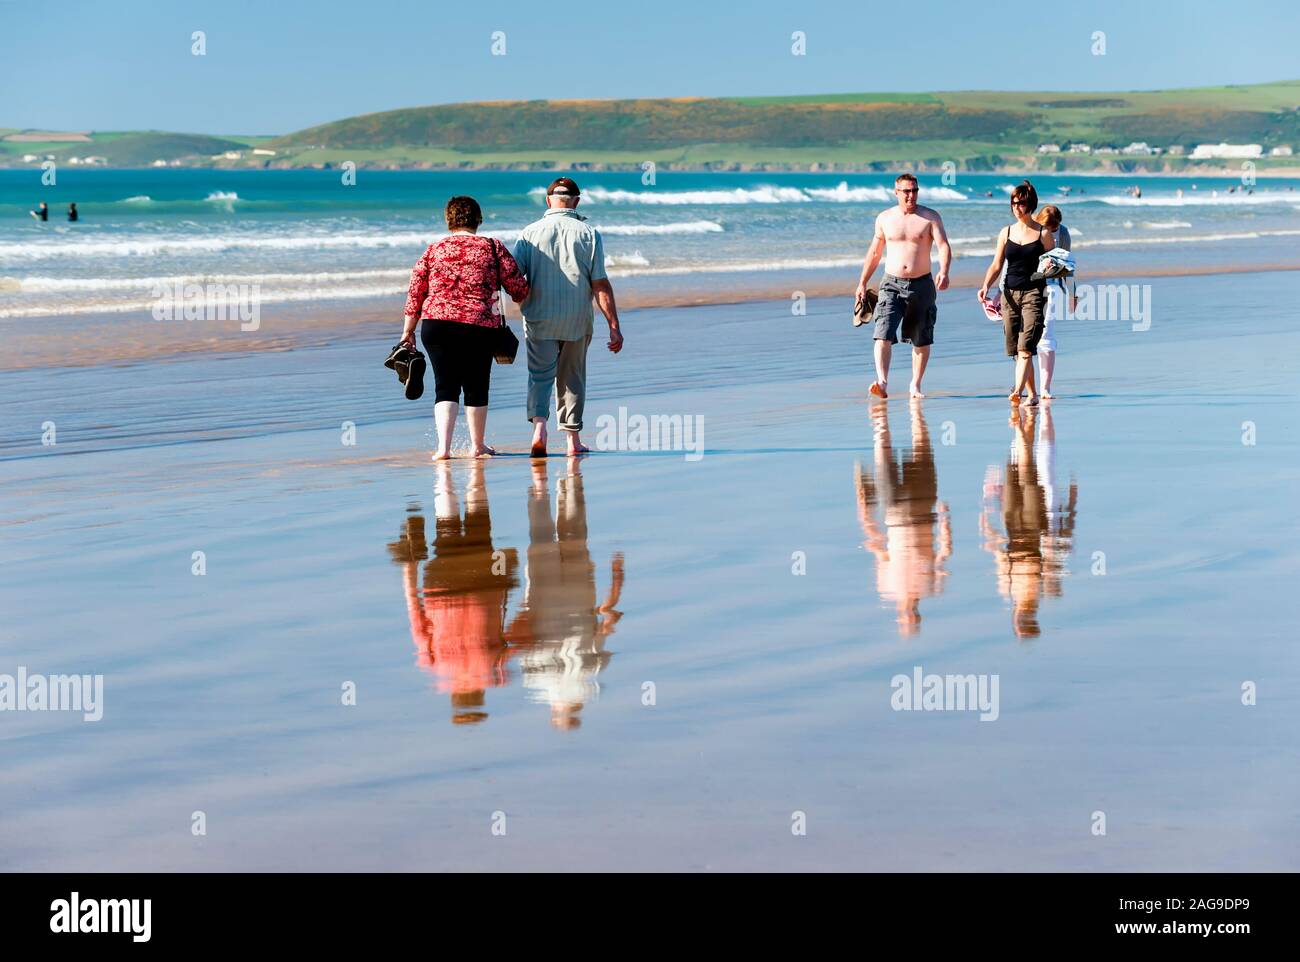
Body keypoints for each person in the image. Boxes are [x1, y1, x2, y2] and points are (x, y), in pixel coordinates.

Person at [387, 461, 523, 724]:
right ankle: (445, 478)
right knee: (446, 530)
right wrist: (410, 567)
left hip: (486, 582)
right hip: (441, 584)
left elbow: (518, 634)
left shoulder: (496, 671)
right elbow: (416, 617)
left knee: (479, 526)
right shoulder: (435, 667)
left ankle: (474, 470)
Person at [399, 195, 529, 459]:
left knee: (444, 385)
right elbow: (517, 287)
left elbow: (416, 292)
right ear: (478, 220)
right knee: (477, 384)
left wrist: (407, 331)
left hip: (437, 325)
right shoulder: (492, 248)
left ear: (449, 220)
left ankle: (443, 449)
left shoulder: (434, 250)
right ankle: (477, 446)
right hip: (479, 326)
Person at [504, 458, 624, 729]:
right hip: (545, 596)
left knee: (574, 535)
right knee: (541, 536)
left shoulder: (588, 670)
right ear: (554, 711)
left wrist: (617, 579)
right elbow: (606, 623)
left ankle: (568, 483)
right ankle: (540, 487)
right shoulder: (537, 676)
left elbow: (609, 618)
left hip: (575, 592)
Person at [512, 177, 624, 458]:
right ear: (576, 201)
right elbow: (600, 284)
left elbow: (513, 277)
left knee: (539, 376)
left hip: (539, 317)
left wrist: (519, 301)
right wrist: (614, 326)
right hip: (577, 318)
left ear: (548, 201)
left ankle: (539, 429)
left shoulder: (528, 234)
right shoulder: (589, 234)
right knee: (572, 377)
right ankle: (573, 440)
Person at [855, 400, 951, 637]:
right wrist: (945, 520)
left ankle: (881, 418)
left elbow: (877, 547)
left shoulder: (887, 588)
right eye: (912, 618)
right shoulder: (932, 586)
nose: (909, 614)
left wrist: (864, 513)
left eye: (907, 618)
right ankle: (906, 411)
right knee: (921, 447)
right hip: (921, 508)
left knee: (886, 454)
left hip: (896, 512)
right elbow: (945, 551)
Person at [855, 173, 952, 399]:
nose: (911, 195)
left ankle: (915, 385)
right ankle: (882, 382)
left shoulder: (930, 217)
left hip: (922, 284)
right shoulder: (885, 218)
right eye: (906, 191)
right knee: (883, 332)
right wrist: (862, 282)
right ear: (896, 192)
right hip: (891, 283)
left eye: (915, 190)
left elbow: (943, 246)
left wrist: (944, 271)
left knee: (921, 338)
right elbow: (875, 252)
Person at [977, 180, 1055, 406]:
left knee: (1026, 346)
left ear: (1030, 204)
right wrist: (985, 286)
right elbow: (996, 264)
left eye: (1020, 203)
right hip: (1009, 294)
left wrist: (1057, 278)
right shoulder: (1006, 232)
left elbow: (1055, 263)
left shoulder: (1043, 233)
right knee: (1017, 349)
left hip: (1034, 293)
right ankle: (1031, 395)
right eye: (1013, 203)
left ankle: (1017, 391)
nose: (1016, 207)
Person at [1033, 205, 1077, 399]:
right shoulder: (1032, 229)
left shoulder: (1064, 233)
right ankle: (1025, 386)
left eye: (1054, 229)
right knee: (1026, 338)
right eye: (1048, 229)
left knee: (1046, 335)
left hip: (1052, 287)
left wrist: (1073, 294)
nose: (1051, 233)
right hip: (1029, 286)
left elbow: (1068, 265)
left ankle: (1045, 387)